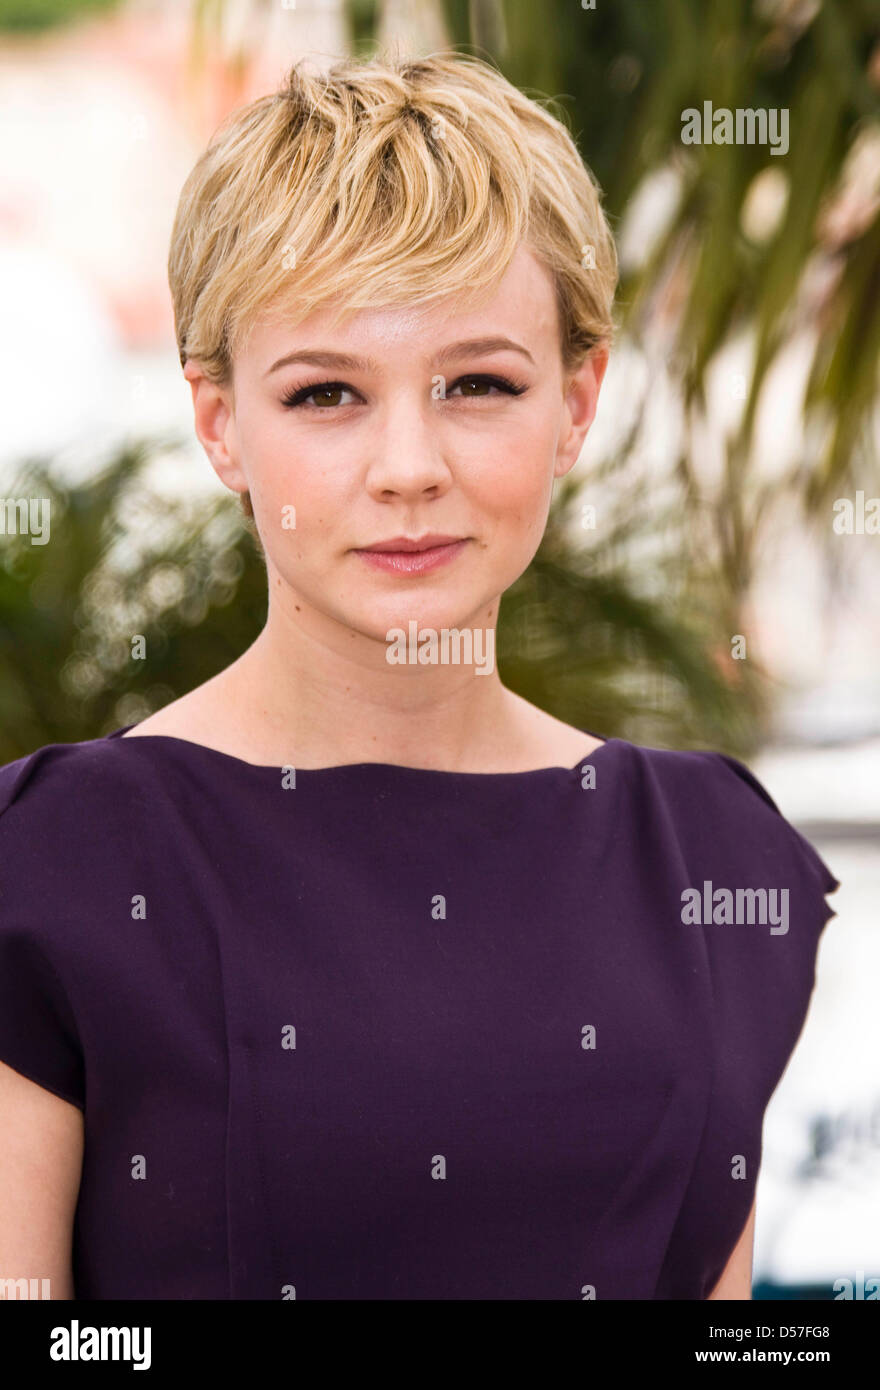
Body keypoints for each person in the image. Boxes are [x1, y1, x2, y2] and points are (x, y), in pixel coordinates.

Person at [0, 51, 838, 1301]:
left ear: (576, 400)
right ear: (222, 422)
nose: (408, 465)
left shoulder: (709, 857)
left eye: (478, 384)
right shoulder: (58, 860)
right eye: (328, 392)